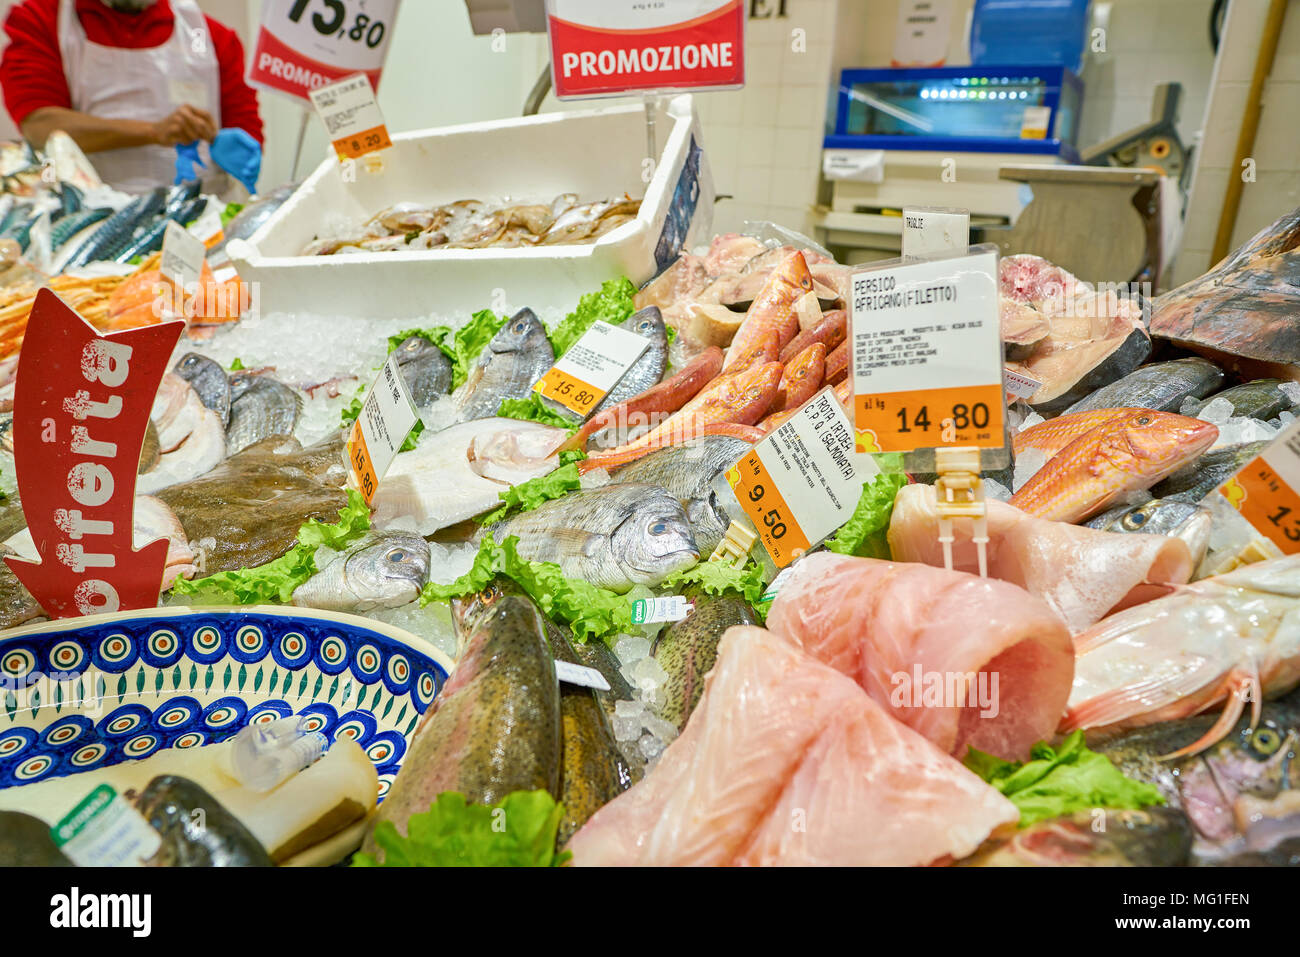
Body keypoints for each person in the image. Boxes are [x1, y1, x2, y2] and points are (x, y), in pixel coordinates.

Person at [0, 0, 264, 194]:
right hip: (86, 224)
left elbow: (247, 134)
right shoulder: (43, 22)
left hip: (201, 227)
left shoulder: (208, 37)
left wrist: (239, 151)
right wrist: (154, 132)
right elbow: (41, 127)